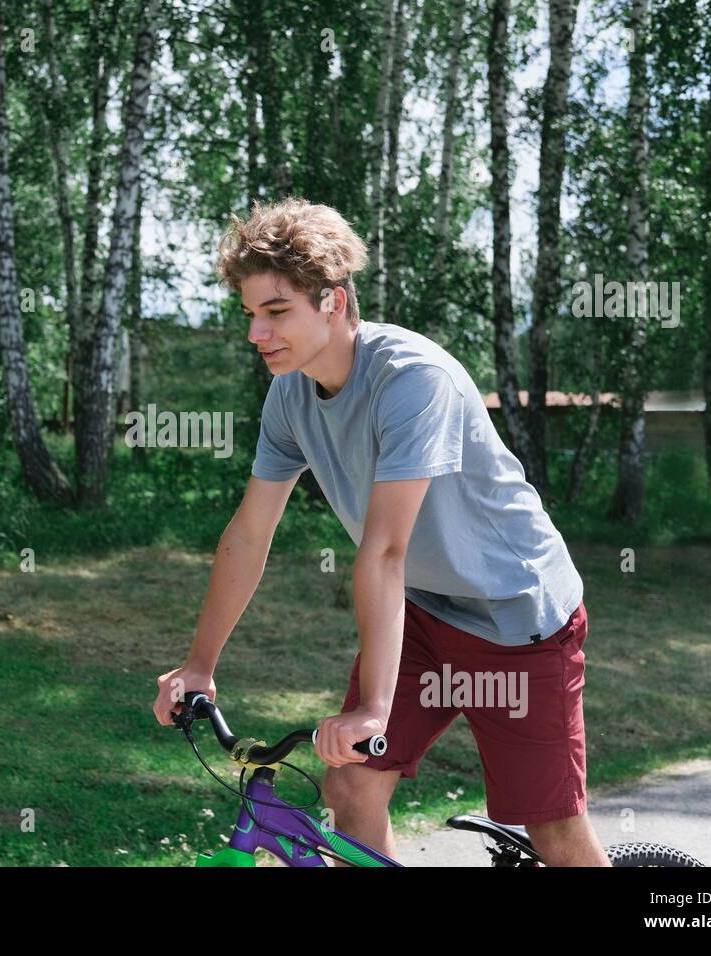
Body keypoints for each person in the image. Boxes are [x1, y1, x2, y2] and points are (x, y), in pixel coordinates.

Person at [152, 197, 610, 867]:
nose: (257, 333)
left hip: (517, 620)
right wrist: (199, 665)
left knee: (554, 832)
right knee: (350, 783)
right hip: (424, 613)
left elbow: (385, 550)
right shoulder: (290, 393)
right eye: (251, 314)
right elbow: (250, 534)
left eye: (276, 312)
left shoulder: (410, 380)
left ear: (332, 303)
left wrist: (373, 709)